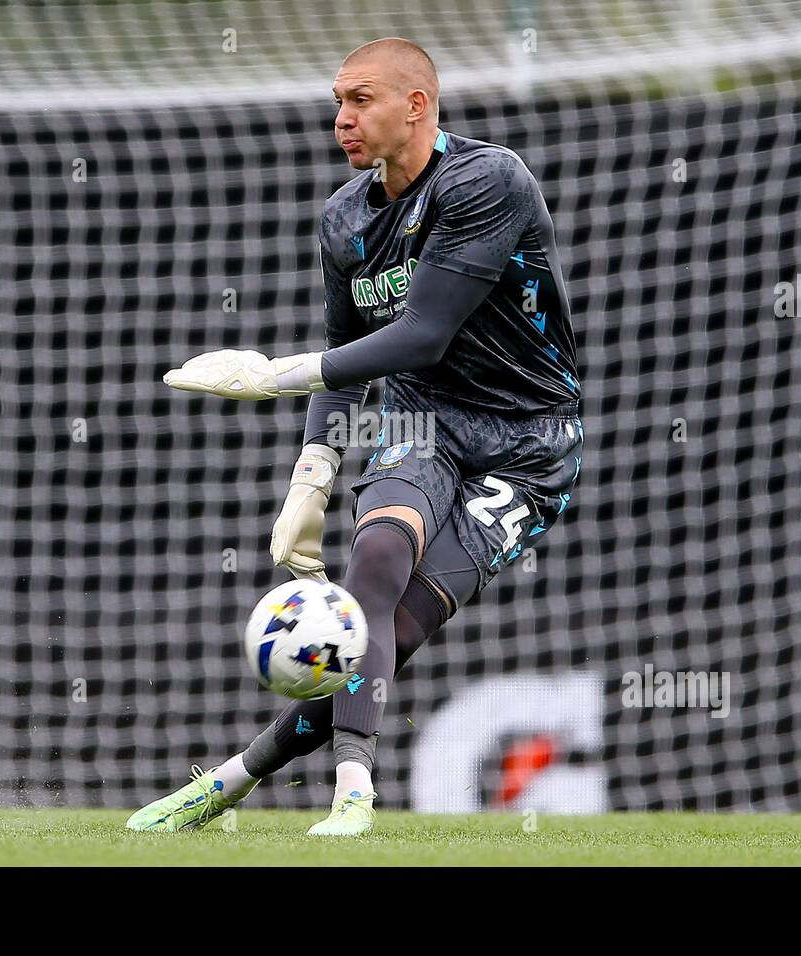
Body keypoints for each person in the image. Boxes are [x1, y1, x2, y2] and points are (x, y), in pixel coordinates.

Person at [128, 36, 582, 836]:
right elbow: (349, 356)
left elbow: (423, 335)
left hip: (529, 444)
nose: (341, 119)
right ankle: (354, 795)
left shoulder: (485, 179)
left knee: (388, 634)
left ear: (417, 106)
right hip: (423, 419)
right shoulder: (344, 218)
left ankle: (229, 781)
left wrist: (271, 375)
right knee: (372, 565)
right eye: (337, 101)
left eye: (359, 100)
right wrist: (311, 476)